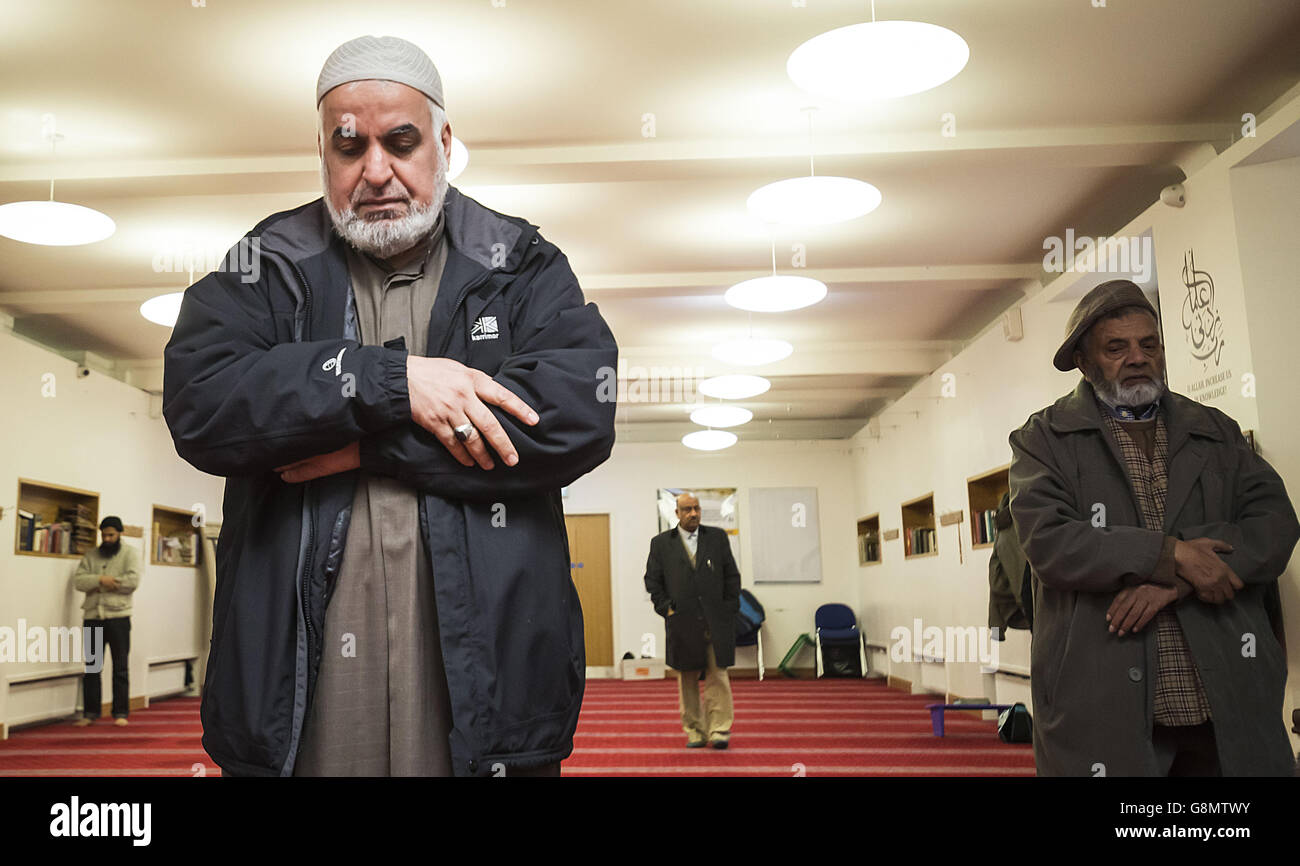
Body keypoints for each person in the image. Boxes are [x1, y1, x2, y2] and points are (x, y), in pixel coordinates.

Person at [162, 35, 617, 777]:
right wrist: (391, 382)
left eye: (401, 142)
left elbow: (572, 417)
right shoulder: (268, 265)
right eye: (350, 147)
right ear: (323, 152)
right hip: (299, 699)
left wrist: (370, 450)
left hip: (487, 697)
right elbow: (202, 401)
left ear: (443, 142)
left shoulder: (521, 263)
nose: (377, 171)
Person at [1009, 279, 1298, 776]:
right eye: (1116, 347)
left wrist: (1176, 579)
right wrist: (1174, 554)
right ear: (1083, 359)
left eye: (1149, 344)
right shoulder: (1045, 439)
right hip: (1104, 700)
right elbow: (1052, 543)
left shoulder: (1215, 430)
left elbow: (1274, 525)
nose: (1137, 357)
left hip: (1224, 694)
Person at [644, 493, 741, 748]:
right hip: (682, 623)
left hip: (715, 622)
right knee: (687, 678)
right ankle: (695, 730)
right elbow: (652, 582)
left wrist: (729, 608)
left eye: (696, 508)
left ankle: (719, 729)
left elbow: (732, 576)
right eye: (687, 509)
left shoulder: (717, 538)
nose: (693, 513)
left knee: (717, 675)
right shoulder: (661, 543)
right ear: (676, 513)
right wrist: (667, 610)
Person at [71, 517, 140, 727]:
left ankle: (120, 713)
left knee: (120, 667)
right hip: (93, 617)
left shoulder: (130, 554)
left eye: (111, 535)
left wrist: (104, 582)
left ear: (119, 534)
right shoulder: (91, 555)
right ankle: (91, 713)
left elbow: (132, 582)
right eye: (104, 535)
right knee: (92, 667)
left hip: (119, 618)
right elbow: (79, 582)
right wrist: (102, 580)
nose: (107, 538)